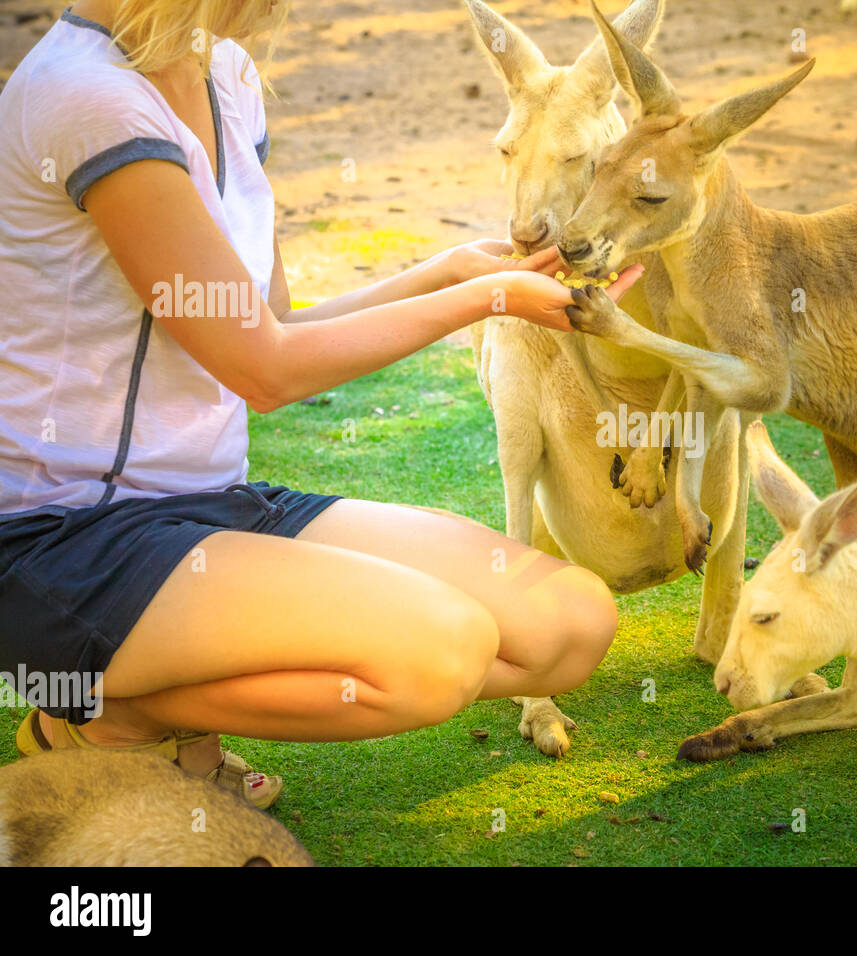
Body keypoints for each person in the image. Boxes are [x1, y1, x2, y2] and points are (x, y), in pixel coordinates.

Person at [0, 0, 641, 807]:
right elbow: (264, 373)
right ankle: (105, 715)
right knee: (439, 653)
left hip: (208, 508)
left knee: (568, 622)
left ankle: (130, 696)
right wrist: (484, 302)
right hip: (65, 540)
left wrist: (448, 273)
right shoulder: (88, 98)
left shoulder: (223, 73)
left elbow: (269, 326)